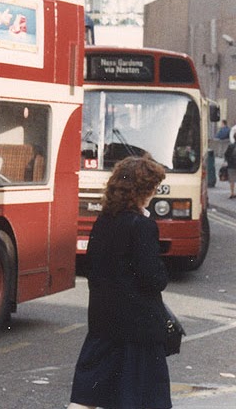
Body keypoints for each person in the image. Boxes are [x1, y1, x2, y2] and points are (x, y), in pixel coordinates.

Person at [68, 155, 171, 409]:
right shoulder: (142, 225)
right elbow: (153, 278)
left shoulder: (103, 221)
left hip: (103, 324)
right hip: (137, 331)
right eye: (153, 188)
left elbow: (91, 266)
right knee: (138, 399)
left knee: (87, 396)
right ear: (142, 191)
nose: (154, 193)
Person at [225, 133, 236, 199]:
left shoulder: (231, 146)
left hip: (231, 165)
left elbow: (226, 154)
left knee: (232, 180)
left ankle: (232, 193)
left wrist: (228, 161)